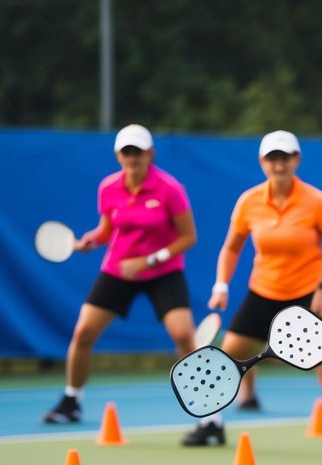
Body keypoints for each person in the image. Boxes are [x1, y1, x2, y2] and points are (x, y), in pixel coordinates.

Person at [183, 130, 322, 452]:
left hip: (309, 290)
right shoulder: (249, 201)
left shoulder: (316, 200)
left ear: (296, 160)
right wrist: (221, 284)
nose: (279, 164)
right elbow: (231, 249)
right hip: (264, 289)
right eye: (272, 158)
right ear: (263, 162)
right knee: (230, 349)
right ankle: (212, 423)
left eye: (285, 157)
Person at [44, 124, 205, 437]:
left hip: (163, 272)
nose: (133, 158)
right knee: (84, 331)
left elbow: (189, 237)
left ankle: (206, 413)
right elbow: (108, 229)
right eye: (127, 152)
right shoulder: (109, 188)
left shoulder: (170, 189)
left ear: (150, 154)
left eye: (138, 152)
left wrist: (149, 260)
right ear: (119, 155)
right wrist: (93, 239)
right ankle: (71, 401)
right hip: (119, 270)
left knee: (184, 335)